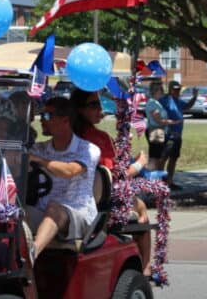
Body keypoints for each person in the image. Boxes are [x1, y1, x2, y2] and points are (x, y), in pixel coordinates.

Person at [71, 89, 153, 276]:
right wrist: (140, 164)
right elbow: (114, 176)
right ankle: (146, 267)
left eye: (99, 104)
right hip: (97, 200)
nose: (100, 108)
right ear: (80, 109)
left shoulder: (69, 135)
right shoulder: (98, 138)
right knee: (140, 208)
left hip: (74, 194)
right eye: (93, 105)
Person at [26, 97, 99, 261]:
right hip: (43, 210)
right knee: (17, 212)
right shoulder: (40, 148)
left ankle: (31, 255)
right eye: (41, 116)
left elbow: (70, 170)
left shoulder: (88, 149)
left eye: (47, 116)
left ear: (65, 120)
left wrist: (39, 161)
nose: (41, 121)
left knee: (54, 208)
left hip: (78, 212)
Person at [159, 80, 197, 189]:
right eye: (175, 89)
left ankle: (170, 182)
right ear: (170, 89)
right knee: (163, 158)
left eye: (179, 89)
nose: (177, 91)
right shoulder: (164, 101)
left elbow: (188, 106)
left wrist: (194, 97)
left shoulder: (178, 101)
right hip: (168, 135)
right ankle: (160, 182)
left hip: (177, 136)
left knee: (173, 158)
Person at [145, 82, 180, 170]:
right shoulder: (152, 103)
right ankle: (151, 181)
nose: (162, 91)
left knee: (157, 156)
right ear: (155, 91)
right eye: (160, 89)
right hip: (156, 131)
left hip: (159, 130)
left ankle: (155, 180)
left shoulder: (156, 102)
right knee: (154, 157)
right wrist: (173, 122)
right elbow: (158, 120)